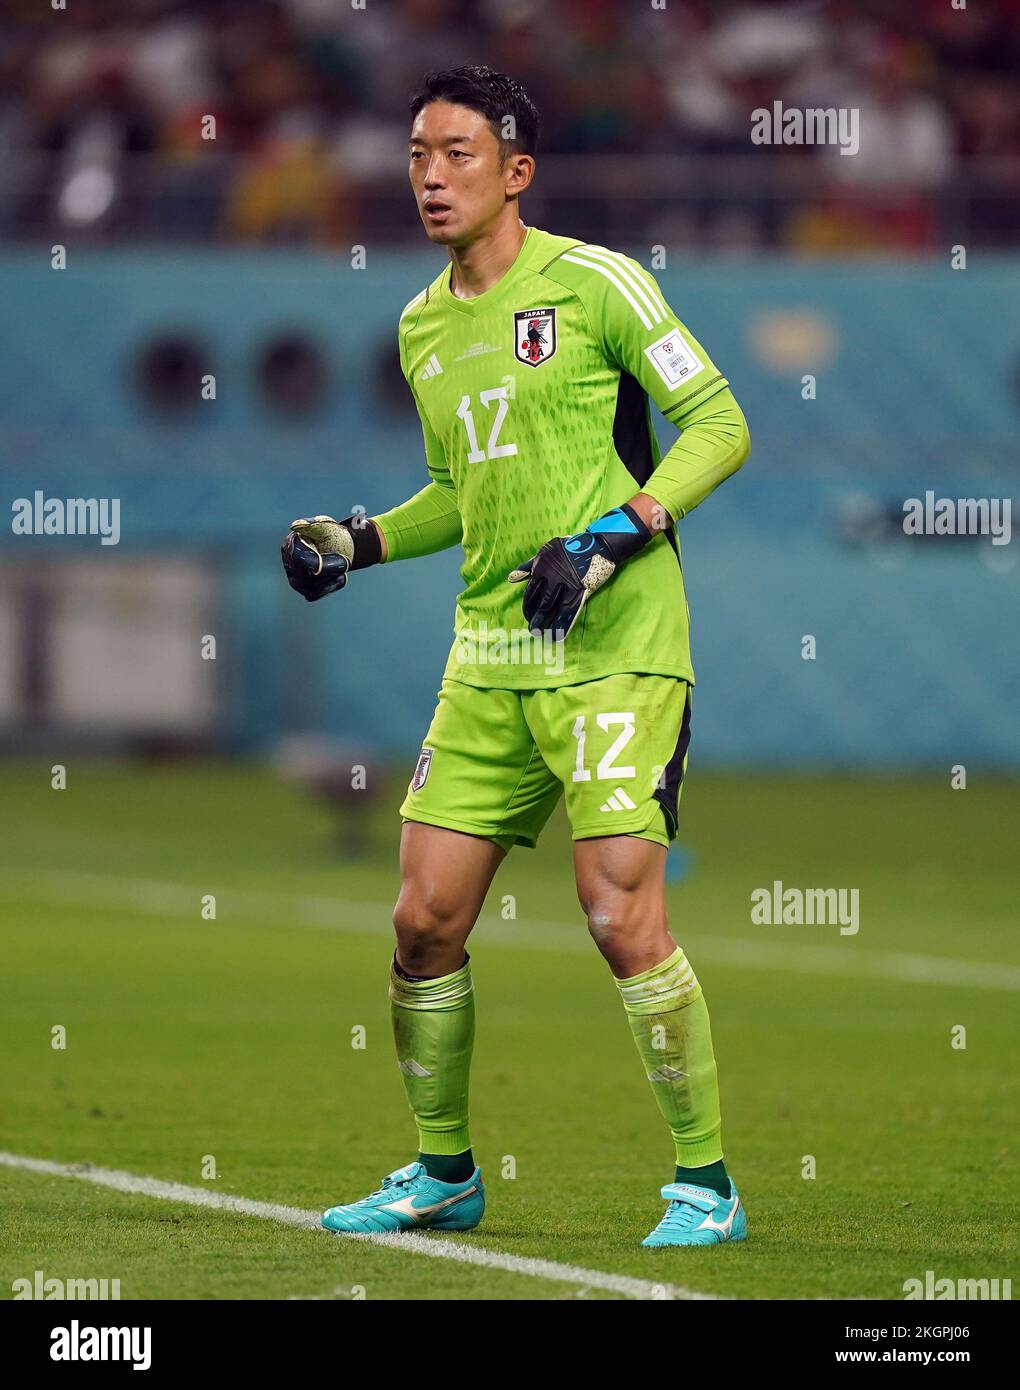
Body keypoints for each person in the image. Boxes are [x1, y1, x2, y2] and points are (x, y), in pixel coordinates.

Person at [281, 65, 750, 1248]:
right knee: (423, 923)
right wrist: (364, 538)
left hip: (616, 651)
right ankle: (444, 1174)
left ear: (516, 171)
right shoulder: (421, 325)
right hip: (487, 658)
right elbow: (459, 487)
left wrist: (609, 534)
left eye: (458, 155)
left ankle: (709, 1185)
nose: (432, 176)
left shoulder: (594, 283)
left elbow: (721, 426)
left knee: (616, 914)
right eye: (418, 155)